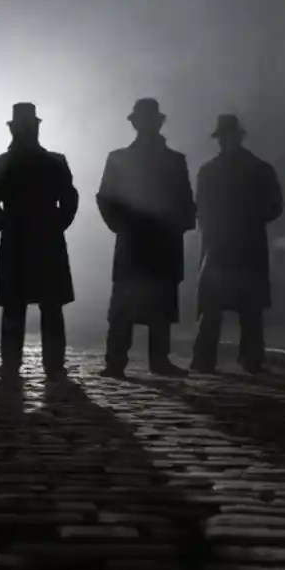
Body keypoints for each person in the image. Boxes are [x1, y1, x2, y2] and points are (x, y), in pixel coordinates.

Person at [96, 98, 196, 380]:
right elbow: (107, 198)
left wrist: (122, 226)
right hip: (151, 241)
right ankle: (141, 361)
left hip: (140, 241)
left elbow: (106, 199)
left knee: (141, 305)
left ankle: (125, 361)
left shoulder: (122, 158)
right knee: (140, 305)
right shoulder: (172, 161)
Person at [0, 102, 79, 381]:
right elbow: (70, 200)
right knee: (49, 306)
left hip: (17, 240)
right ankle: (52, 364)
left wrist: (5, 225)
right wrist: (56, 225)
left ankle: (14, 363)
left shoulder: (1, 163)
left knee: (17, 306)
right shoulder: (54, 161)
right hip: (45, 240)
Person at [192, 114, 283, 374]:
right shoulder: (212, 171)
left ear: (237, 138)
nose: (225, 142)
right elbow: (201, 208)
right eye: (223, 138)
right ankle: (206, 359)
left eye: (228, 137)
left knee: (248, 309)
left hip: (242, 245)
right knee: (214, 308)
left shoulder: (257, 169)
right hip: (224, 246)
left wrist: (249, 217)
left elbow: (274, 206)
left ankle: (247, 358)